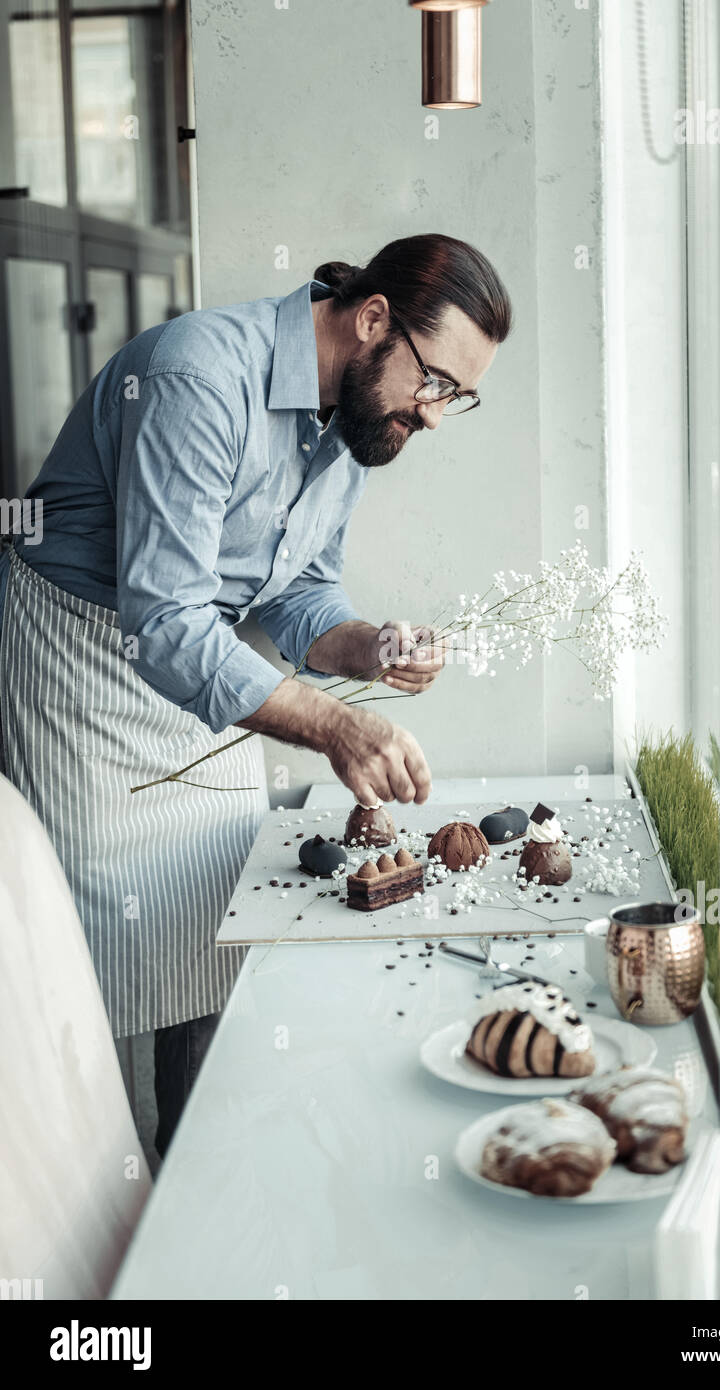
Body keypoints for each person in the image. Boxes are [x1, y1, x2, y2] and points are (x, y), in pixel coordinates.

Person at [0, 232, 512, 1155]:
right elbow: (162, 618)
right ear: (372, 321)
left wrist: (369, 646)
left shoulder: (358, 423)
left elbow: (298, 593)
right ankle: (96, 1219)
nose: (434, 416)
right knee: (83, 980)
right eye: (434, 383)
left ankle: (203, 1180)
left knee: (219, 931)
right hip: (83, 669)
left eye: (458, 399)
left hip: (210, 672)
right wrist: (331, 726)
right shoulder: (199, 375)